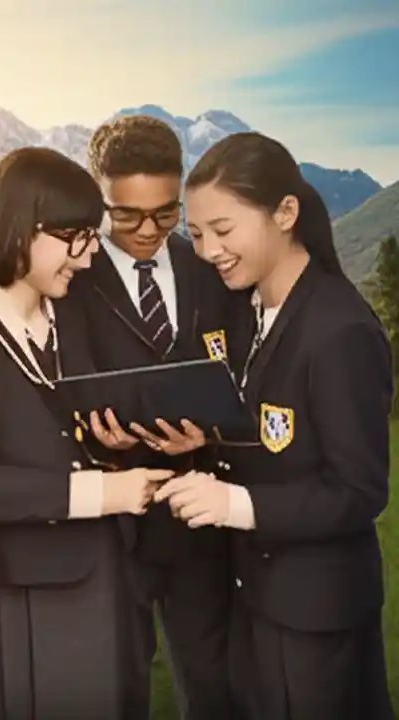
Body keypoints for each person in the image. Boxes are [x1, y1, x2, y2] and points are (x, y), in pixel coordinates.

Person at [0, 145, 174, 719]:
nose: (85, 258)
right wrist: (103, 493)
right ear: (19, 227)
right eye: (72, 238)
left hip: (113, 575)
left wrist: (111, 446)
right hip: (33, 589)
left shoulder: (70, 315)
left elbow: (63, 432)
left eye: (90, 238)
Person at [155, 131, 394, 719]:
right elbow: (283, 436)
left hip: (314, 617)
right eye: (198, 233)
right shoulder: (260, 310)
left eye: (224, 230)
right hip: (259, 601)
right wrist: (209, 441)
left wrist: (233, 504)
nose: (209, 250)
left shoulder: (339, 332)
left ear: (285, 212)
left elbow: (358, 491)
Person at [59, 115, 241, 719]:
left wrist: (207, 434)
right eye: (126, 215)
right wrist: (99, 446)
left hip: (197, 521)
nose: (147, 231)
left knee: (212, 682)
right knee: (111, 687)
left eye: (165, 214)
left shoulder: (209, 271)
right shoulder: (69, 283)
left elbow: (238, 377)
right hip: (111, 529)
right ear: (98, 197)